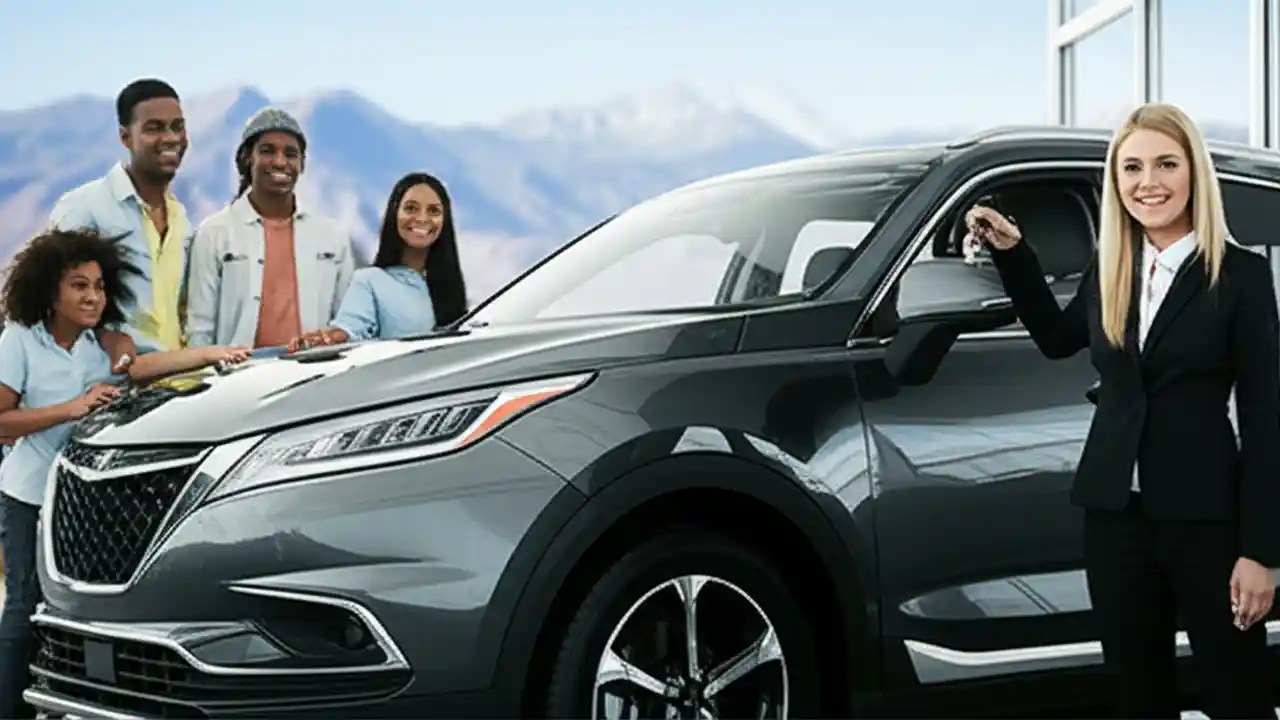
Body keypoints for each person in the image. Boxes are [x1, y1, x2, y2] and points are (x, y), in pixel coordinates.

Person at [968, 102, 1279, 718]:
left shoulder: (1239, 276)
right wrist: (1014, 255)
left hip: (1208, 520)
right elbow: (1058, 340)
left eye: (1166, 163)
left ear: (1194, 173)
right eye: (1131, 167)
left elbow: (1268, 418)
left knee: (1237, 696)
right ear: (1116, 181)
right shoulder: (1111, 268)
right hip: (1115, 520)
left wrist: (1263, 552)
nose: (1149, 182)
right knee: (1138, 697)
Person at [0, 228, 248, 718]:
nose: (93, 296)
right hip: (28, 498)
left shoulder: (103, 346)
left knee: (76, 611)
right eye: (78, 286)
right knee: (23, 604)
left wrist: (215, 354)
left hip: (81, 504)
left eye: (98, 286)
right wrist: (72, 408)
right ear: (51, 290)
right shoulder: (19, 341)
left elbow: (148, 364)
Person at [184, 107, 354, 349]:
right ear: (247, 159)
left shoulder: (332, 237)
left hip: (316, 373)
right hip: (239, 377)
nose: (280, 161)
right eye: (267, 151)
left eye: (291, 154)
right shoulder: (214, 233)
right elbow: (200, 328)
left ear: (302, 164)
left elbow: (346, 324)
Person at [47, 78, 192, 356]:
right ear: (125, 137)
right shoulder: (85, 207)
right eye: (154, 128)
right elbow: (52, 301)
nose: (172, 137)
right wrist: (106, 333)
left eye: (178, 126)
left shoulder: (181, 220)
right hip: (109, 386)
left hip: (175, 381)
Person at [287, 172, 468, 350]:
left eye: (433, 211)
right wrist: (327, 338)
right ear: (394, 213)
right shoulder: (370, 281)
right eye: (411, 208)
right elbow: (351, 328)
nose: (422, 218)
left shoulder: (450, 288)